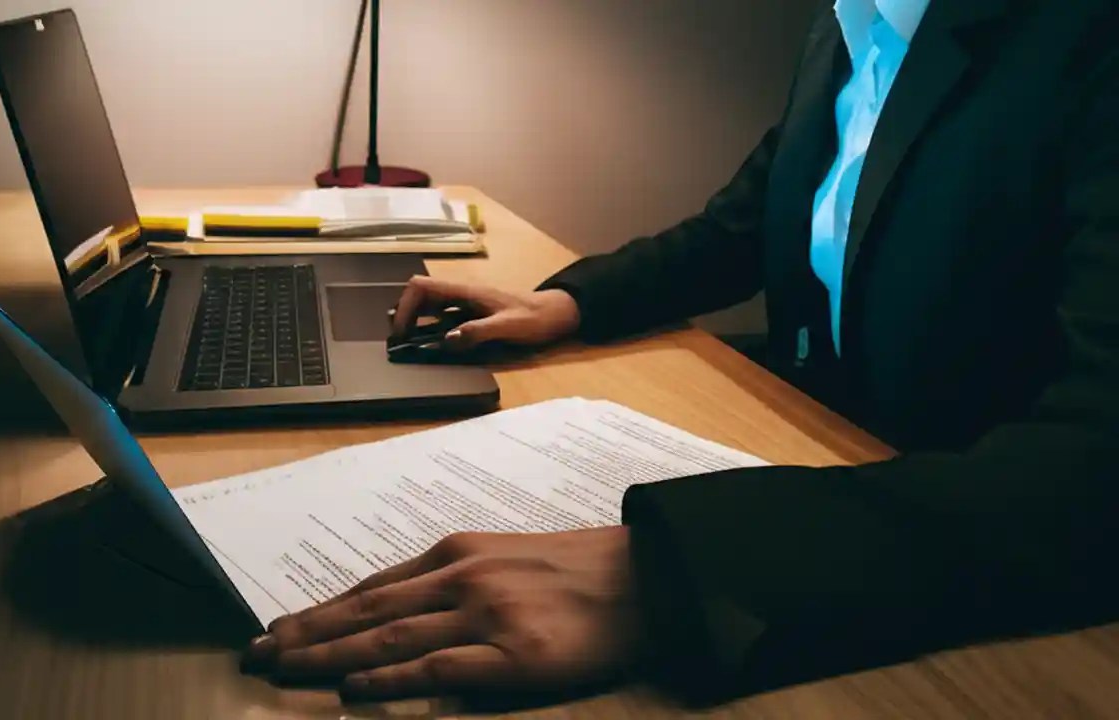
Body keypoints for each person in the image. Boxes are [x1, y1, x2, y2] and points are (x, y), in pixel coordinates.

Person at [242, 0, 1119, 705]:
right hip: (824, 451)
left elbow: (1098, 468)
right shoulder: (848, 24)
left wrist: (675, 572)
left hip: (985, 576)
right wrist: (570, 300)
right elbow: (737, 225)